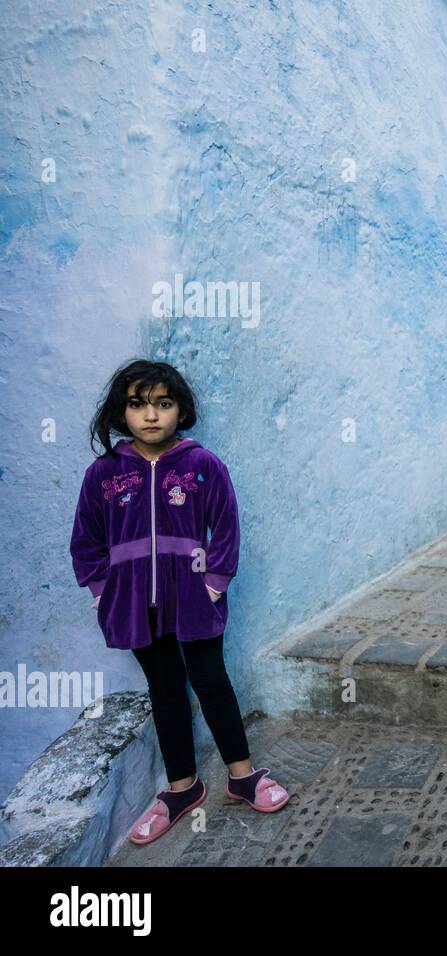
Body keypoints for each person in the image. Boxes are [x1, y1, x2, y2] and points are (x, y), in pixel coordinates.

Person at [69, 359, 290, 846]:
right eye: (137, 405)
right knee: (165, 690)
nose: (151, 416)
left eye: (162, 404)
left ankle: (242, 775)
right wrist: (104, 591)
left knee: (211, 681)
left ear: (180, 410)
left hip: (193, 599)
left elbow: (226, 527)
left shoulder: (201, 465)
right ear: (120, 413)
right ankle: (182, 789)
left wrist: (212, 584)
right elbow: (86, 540)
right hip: (131, 605)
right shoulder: (103, 474)